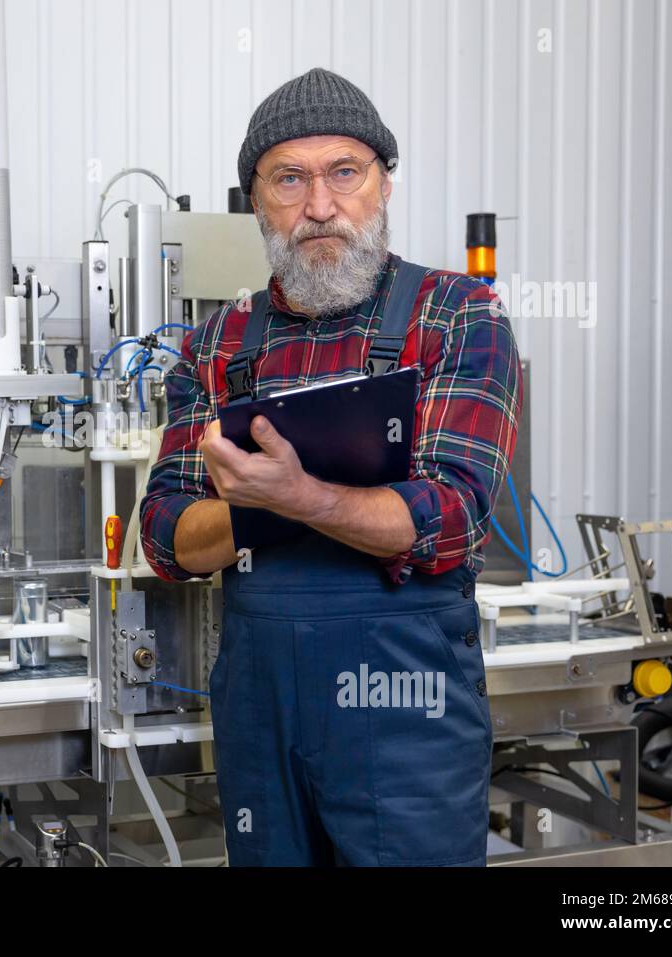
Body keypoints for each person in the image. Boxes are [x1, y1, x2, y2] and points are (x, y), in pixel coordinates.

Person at [139, 67, 522, 866]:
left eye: (344, 171)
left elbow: (451, 517)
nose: (319, 205)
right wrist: (267, 505)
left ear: (384, 183)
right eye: (289, 179)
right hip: (260, 718)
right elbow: (166, 537)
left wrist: (295, 496)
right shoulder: (214, 345)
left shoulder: (456, 315)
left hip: (406, 716)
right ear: (255, 201)